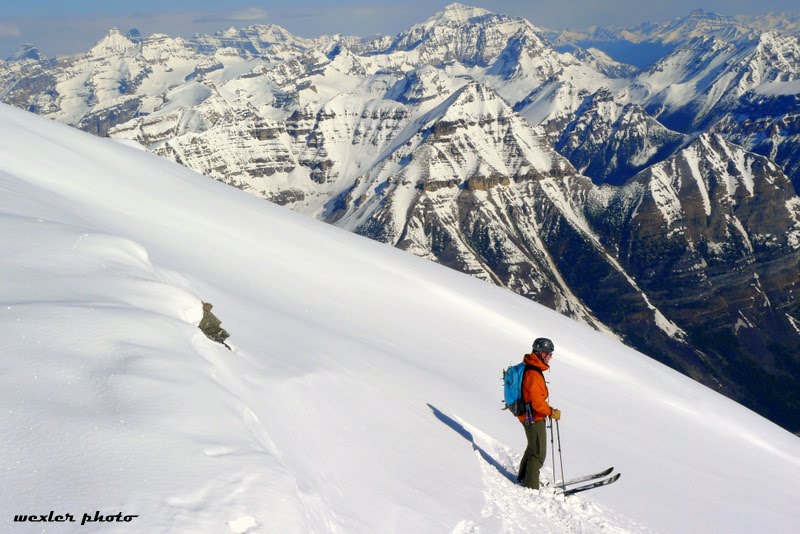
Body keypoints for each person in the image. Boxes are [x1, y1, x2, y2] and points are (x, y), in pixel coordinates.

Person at [517, 337, 561, 489]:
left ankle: (523, 477)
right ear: (541, 353)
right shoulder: (534, 374)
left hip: (529, 415)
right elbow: (536, 403)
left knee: (532, 448)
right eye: (549, 353)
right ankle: (531, 487)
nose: (551, 357)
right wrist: (551, 411)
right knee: (538, 454)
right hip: (533, 417)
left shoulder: (531, 368)